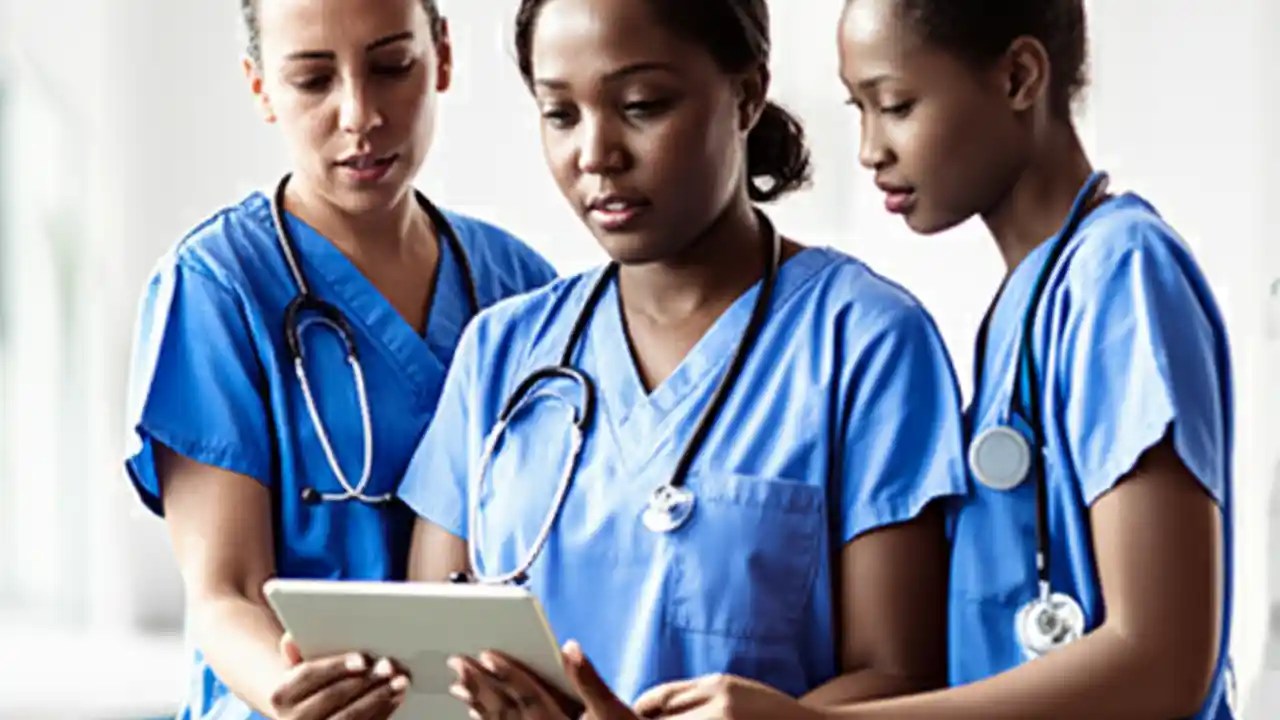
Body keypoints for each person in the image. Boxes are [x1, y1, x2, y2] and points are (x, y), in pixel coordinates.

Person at [656, 0, 1236, 717]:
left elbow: (1160, 662)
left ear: (1020, 77)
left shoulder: (1122, 274)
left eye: (896, 104)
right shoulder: (1025, 309)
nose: (870, 148)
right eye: (858, 108)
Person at [394, 0, 969, 718]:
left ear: (748, 95)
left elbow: (903, 675)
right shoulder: (500, 355)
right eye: (560, 114)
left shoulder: (867, 344)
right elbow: (430, 668)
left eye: (641, 105)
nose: (595, 154)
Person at [121, 0, 557, 717]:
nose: (360, 114)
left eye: (391, 67)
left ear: (442, 58)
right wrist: (294, 698)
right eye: (313, 80)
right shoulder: (218, 287)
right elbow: (223, 595)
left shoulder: (522, 289)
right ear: (260, 87)